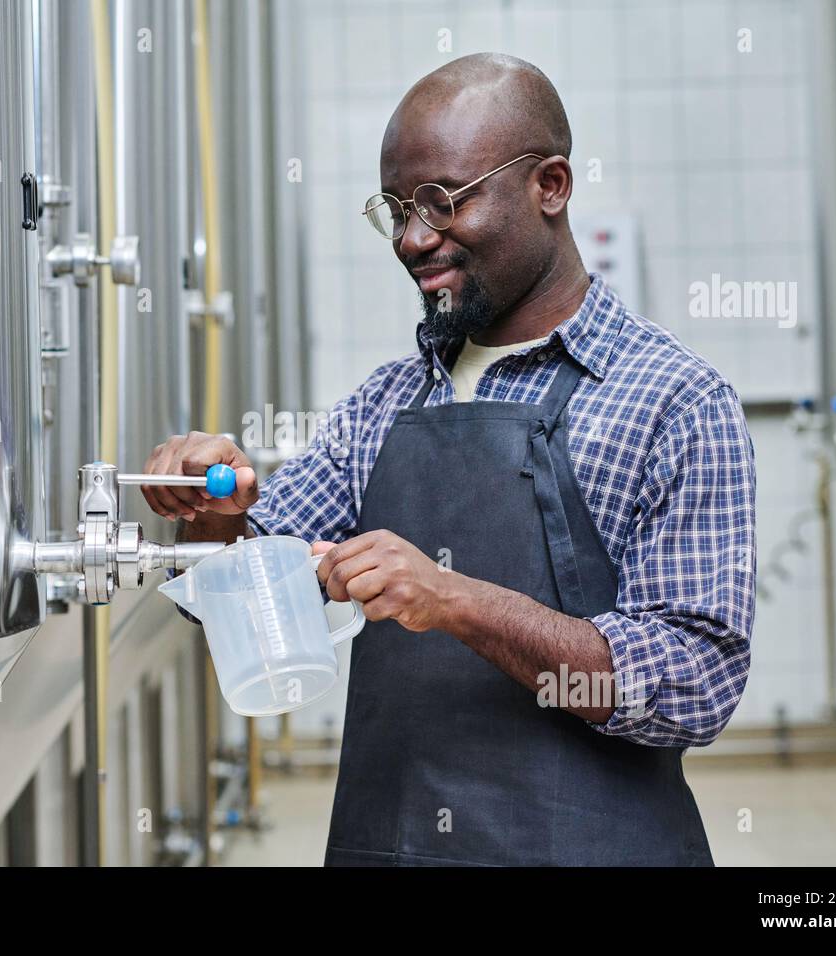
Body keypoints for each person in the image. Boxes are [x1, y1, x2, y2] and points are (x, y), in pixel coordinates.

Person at [141, 53, 756, 866]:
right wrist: (218, 518)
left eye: (441, 202)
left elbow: (694, 685)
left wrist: (455, 599)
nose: (413, 239)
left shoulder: (671, 400)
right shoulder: (385, 403)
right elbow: (243, 594)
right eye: (395, 209)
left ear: (552, 186)